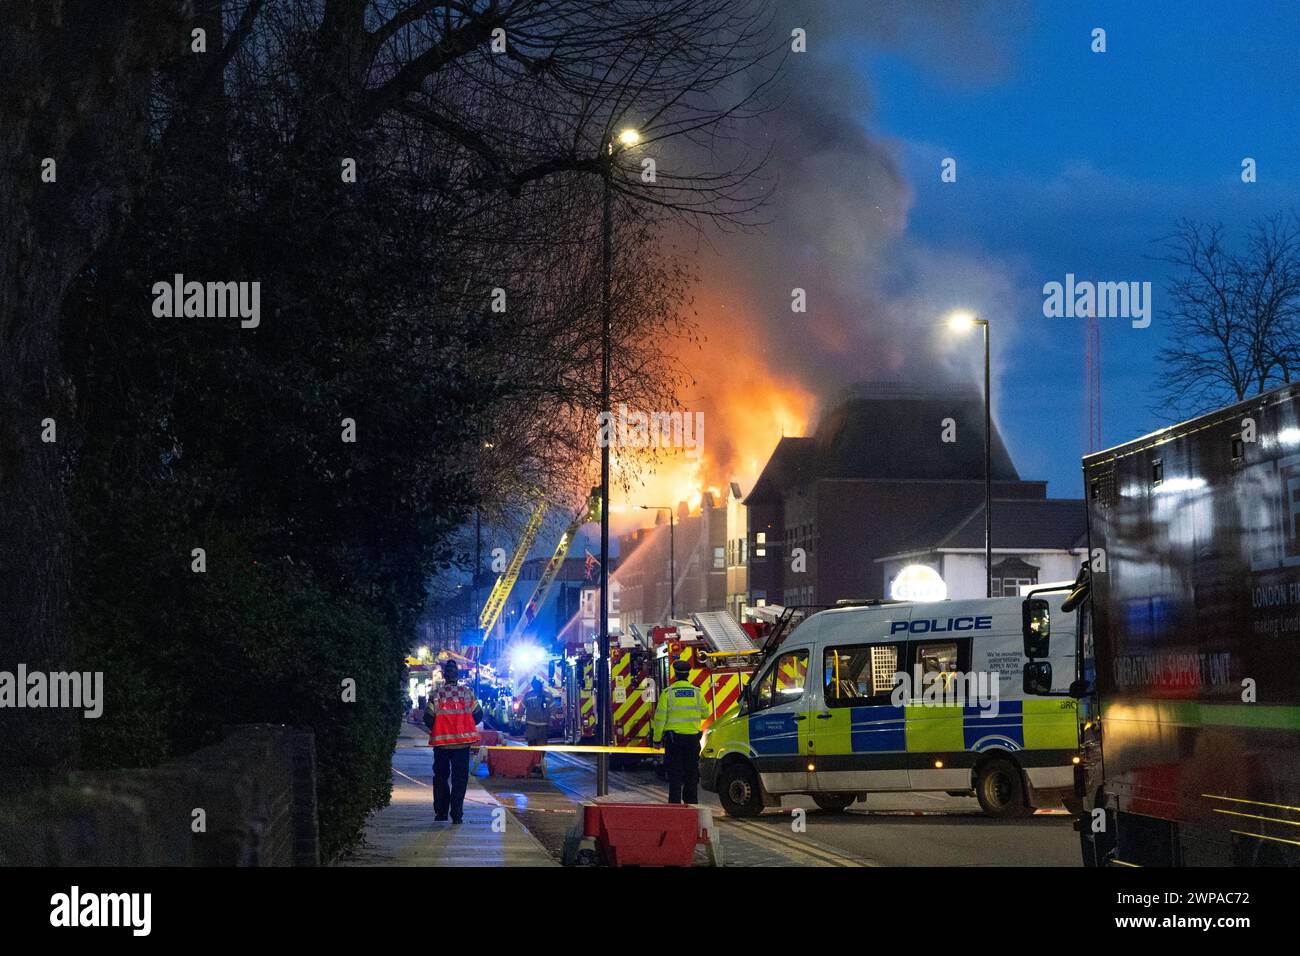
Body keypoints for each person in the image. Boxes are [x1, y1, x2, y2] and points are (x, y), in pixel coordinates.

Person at [423, 660, 482, 824]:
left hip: (441, 744)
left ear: (444, 675)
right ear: (457, 675)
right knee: (460, 779)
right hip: (462, 744)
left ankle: (441, 813)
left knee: (441, 777)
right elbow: (478, 715)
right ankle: (456, 815)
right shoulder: (467, 693)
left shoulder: (437, 695)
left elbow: (428, 717)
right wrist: (464, 725)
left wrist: (440, 728)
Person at [651, 658, 709, 804]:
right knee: (691, 774)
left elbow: (660, 719)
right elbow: (705, 713)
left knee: (675, 775)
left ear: (675, 674)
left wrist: (657, 740)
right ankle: (691, 804)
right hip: (692, 740)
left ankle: (675, 806)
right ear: (688, 674)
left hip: (674, 741)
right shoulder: (696, 692)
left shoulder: (668, 693)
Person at [522, 676, 551, 748]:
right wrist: (551, 720)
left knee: (532, 744)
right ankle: (540, 758)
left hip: (532, 726)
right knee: (541, 744)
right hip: (543, 726)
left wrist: (518, 720)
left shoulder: (528, 695)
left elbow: (521, 708)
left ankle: (535, 758)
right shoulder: (548, 695)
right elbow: (553, 709)